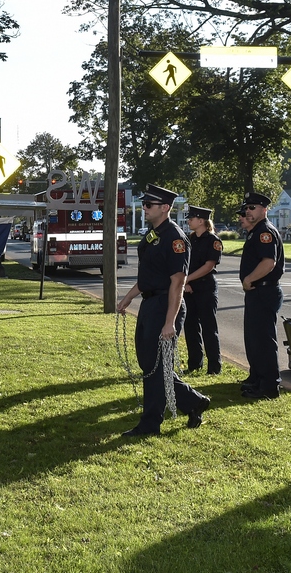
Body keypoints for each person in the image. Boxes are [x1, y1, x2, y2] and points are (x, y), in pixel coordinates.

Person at [115, 184, 209, 436]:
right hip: (149, 303)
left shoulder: (175, 238)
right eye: (144, 204)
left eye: (149, 205)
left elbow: (177, 281)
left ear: (165, 208)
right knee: (151, 365)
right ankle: (193, 401)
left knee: (155, 368)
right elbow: (148, 275)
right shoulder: (151, 234)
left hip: (165, 306)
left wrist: (170, 322)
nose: (144, 208)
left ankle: (150, 424)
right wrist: (128, 298)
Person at [237, 191, 285, 399]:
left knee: (263, 340)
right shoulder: (256, 231)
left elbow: (268, 262)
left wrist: (249, 279)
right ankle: (257, 378)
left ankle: (269, 386)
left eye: (253, 207)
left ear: (264, 209)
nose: (248, 211)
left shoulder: (265, 232)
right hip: (258, 291)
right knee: (254, 338)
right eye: (247, 208)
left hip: (264, 290)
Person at [183, 205, 223, 375]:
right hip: (189, 288)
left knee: (208, 328)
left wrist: (188, 279)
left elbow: (208, 266)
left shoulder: (213, 241)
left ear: (201, 221)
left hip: (205, 287)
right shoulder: (189, 239)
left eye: (191, 218)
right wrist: (185, 283)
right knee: (190, 326)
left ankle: (214, 367)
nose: (188, 221)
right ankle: (194, 364)